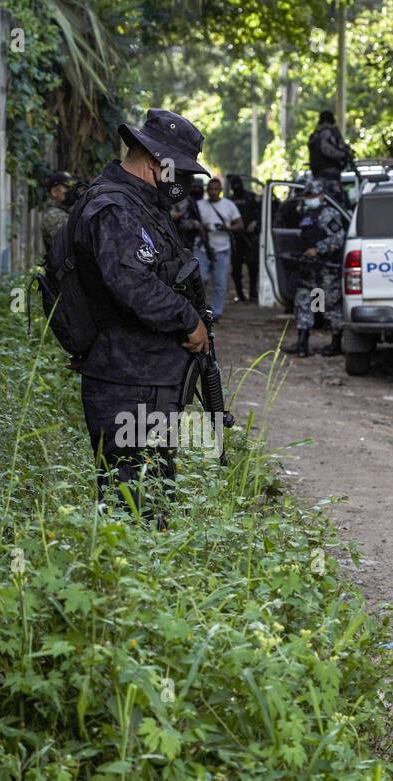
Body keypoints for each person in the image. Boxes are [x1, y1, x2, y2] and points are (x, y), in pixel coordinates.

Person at [70, 108, 210, 509]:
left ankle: (144, 567)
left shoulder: (139, 205)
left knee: (150, 490)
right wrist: (189, 322)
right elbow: (131, 284)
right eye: (179, 173)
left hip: (143, 376)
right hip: (129, 380)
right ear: (154, 163)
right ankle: (124, 570)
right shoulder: (116, 208)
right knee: (132, 497)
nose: (181, 184)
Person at [281, 180, 346, 357]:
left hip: (327, 269)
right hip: (310, 269)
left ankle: (336, 343)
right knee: (303, 301)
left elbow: (338, 238)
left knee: (331, 305)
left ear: (322, 196)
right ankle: (302, 343)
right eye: (308, 196)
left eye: (313, 196)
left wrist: (318, 249)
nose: (310, 199)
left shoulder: (328, 214)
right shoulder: (308, 215)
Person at [194, 177, 243, 318]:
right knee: (199, 280)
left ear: (221, 190)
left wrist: (228, 227)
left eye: (216, 189)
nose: (213, 192)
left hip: (222, 249)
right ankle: (199, 309)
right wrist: (202, 228)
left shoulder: (229, 205)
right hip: (202, 248)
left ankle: (216, 312)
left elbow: (240, 225)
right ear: (207, 190)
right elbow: (191, 224)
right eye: (211, 189)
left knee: (220, 282)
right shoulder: (199, 205)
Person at [227, 175, 261, 304]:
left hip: (250, 238)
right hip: (236, 238)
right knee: (236, 269)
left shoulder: (251, 197)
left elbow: (260, 214)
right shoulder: (229, 200)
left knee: (253, 267)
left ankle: (253, 293)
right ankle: (240, 294)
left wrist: (255, 223)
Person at [307, 109, 352, 204]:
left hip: (318, 175)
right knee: (335, 202)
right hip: (329, 175)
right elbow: (327, 150)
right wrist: (343, 155)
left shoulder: (316, 134)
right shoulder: (327, 133)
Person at [40, 171, 76, 251]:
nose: (71, 190)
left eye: (72, 187)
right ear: (54, 192)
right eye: (67, 187)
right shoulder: (51, 215)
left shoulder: (68, 209)